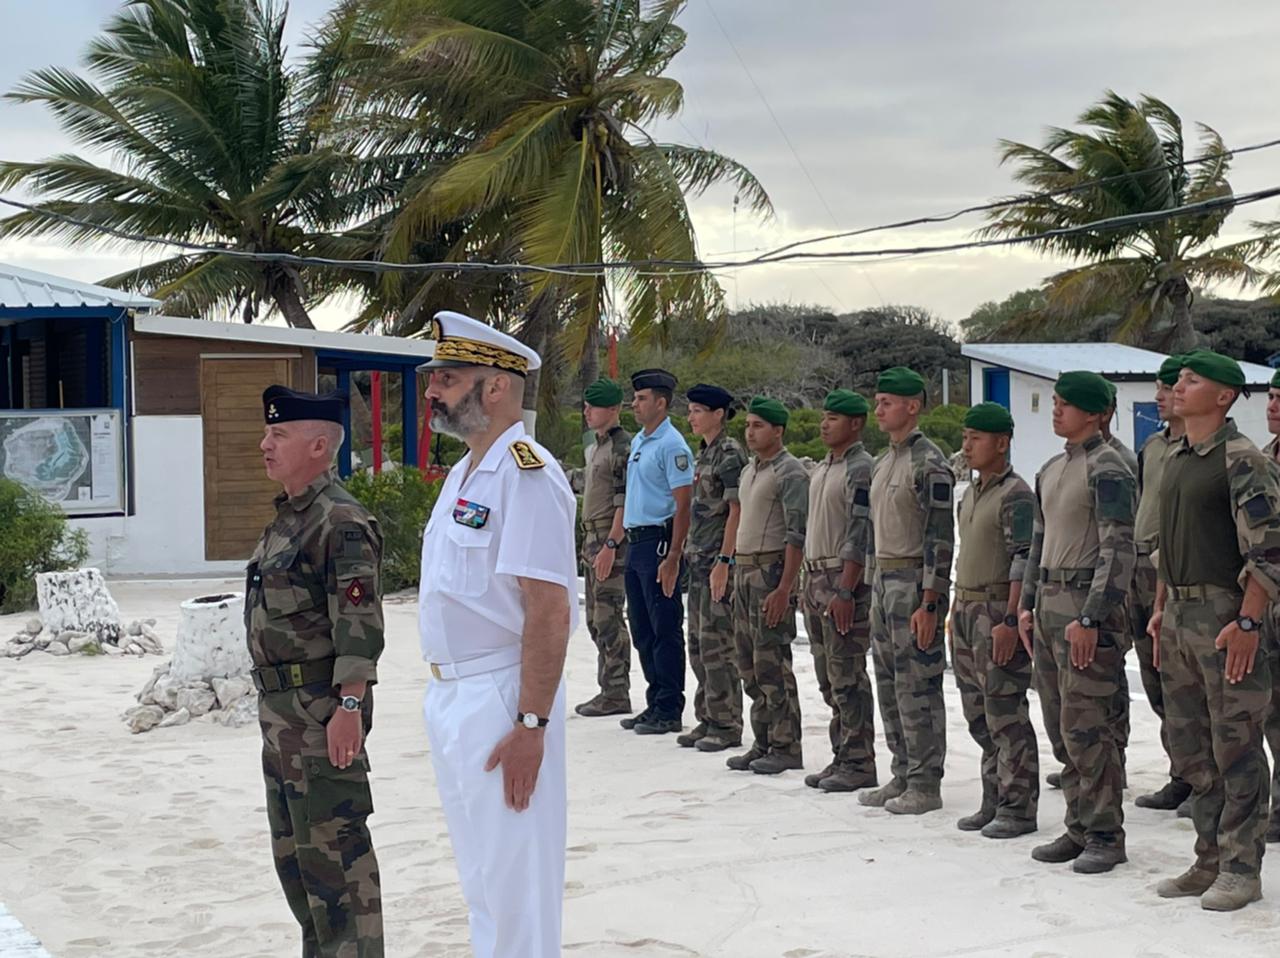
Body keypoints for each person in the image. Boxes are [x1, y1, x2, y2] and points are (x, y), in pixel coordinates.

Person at [417, 311, 577, 957]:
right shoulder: (465, 472)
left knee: (516, 877)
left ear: (496, 388)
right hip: (453, 694)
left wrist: (531, 725)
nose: (433, 392)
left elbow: (548, 610)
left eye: (448, 379)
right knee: (482, 871)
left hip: (501, 694)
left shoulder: (526, 473)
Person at [247, 384, 385, 958]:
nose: (265, 444)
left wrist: (349, 708)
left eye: (279, 434)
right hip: (280, 718)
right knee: (299, 869)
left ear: (320, 445)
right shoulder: (289, 519)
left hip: (321, 714)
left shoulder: (340, 521)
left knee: (339, 870)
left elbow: (359, 625)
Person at [1148, 350, 1280, 911]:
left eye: (1192, 379)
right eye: (1179, 378)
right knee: (1191, 746)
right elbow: (1166, 545)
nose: (1179, 386)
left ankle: (1241, 868)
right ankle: (1208, 858)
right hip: (1178, 616)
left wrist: (1248, 621)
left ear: (1224, 396)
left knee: (1237, 744)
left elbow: (1269, 550)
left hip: (1225, 617)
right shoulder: (1178, 456)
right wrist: (1160, 610)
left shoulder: (1242, 460)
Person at [1018, 371, 1135, 875]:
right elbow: (1037, 545)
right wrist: (1024, 605)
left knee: (1089, 725)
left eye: (1067, 404)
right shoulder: (1051, 468)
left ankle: (1106, 833)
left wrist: (1094, 615)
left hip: (1085, 605)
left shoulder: (1110, 468)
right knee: (1061, 725)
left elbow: (1118, 548)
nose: (1056, 410)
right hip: (1048, 604)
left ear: (1096, 413)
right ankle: (1079, 825)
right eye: (1057, 402)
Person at [861, 367, 954, 815]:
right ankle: (902, 772)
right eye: (877, 402)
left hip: (914, 581)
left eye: (887, 402)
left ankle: (925, 782)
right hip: (883, 580)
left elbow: (941, 537)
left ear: (912, 406)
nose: (878, 409)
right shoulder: (883, 462)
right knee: (888, 682)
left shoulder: (928, 462)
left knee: (917, 684)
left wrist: (931, 601)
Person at [950, 402, 1040, 838]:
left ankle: (1019, 806)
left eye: (976, 438)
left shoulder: (1016, 494)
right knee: (978, 713)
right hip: (966, 608)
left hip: (995, 609)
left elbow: (1024, 558)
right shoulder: (970, 494)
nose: (967, 446)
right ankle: (994, 797)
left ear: (1001, 443)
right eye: (965, 437)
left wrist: (1011, 617)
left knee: (1005, 711)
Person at [801, 389, 878, 793]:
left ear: (856, 424)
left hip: (839, 578)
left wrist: (847, 589)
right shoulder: (824, 467)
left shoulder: (860, 468)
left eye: (834, 417)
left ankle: (859, 759)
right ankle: (843, 754)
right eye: (824, 416)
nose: (824, 423)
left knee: (847, 674)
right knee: (827, 676)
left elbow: (859, 531)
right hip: (815, 578)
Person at [726, 396, 808, 775]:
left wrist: (785, 587)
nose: (750, 432)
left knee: (772, 662)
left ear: (778, 430)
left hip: (769, 572)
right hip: (744, 572)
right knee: (748, 663)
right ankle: (763, 740)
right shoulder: (750, 471)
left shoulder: (789, 472)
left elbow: (796, 535)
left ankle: (786, 743)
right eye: (748, 425)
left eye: (759, 426)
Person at [1131, 355, 1192, 812]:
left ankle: (1200, 777)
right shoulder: (1152, 447)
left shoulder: (1204, 449)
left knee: (1186, 681)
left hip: (1180, 570)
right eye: (1159, 387)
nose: (1159, 396)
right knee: (1155, 679)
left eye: (1168, 387)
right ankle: (1181, 771)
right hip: (1141, 566)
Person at [620, 369, 695, 736]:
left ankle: (669, 707)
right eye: (635, 398)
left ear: (661, 403)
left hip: (659, 541)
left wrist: (674, 555)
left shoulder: (672, 445)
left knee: (664, 625)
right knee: (641, 627)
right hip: (636, 542)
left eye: (642, 398)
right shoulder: (640, 441)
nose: (634, 404)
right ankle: (654, 701)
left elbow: (683, 505)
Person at [682, 383, 749, 752]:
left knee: (718, 644)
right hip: (698, 559)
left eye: (697, 410)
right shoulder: (704, 453)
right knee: (698, 642)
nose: (691, 417)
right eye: (690, 410)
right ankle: (708, 714)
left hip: (717, 561)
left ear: (718, 414)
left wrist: (725, 559)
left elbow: (735, 511)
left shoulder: (729, 453)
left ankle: (726, 722)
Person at [575, 378, 633, 718]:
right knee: (595, 618)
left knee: (609, 616)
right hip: (591, 537)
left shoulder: (622, 447)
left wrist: (612, 542)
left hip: (609, 539)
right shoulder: (596, 446)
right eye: (586, 405)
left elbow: (624, 501)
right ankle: (607, 688)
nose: (587, 411)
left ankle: (616, 691)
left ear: (613, 409)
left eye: (593, 406)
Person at [1263, 369, 1280, 843]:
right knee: (1272, 709)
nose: (1273, 406)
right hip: (1269, 601)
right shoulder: (1262, 460)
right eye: (1272, 397)